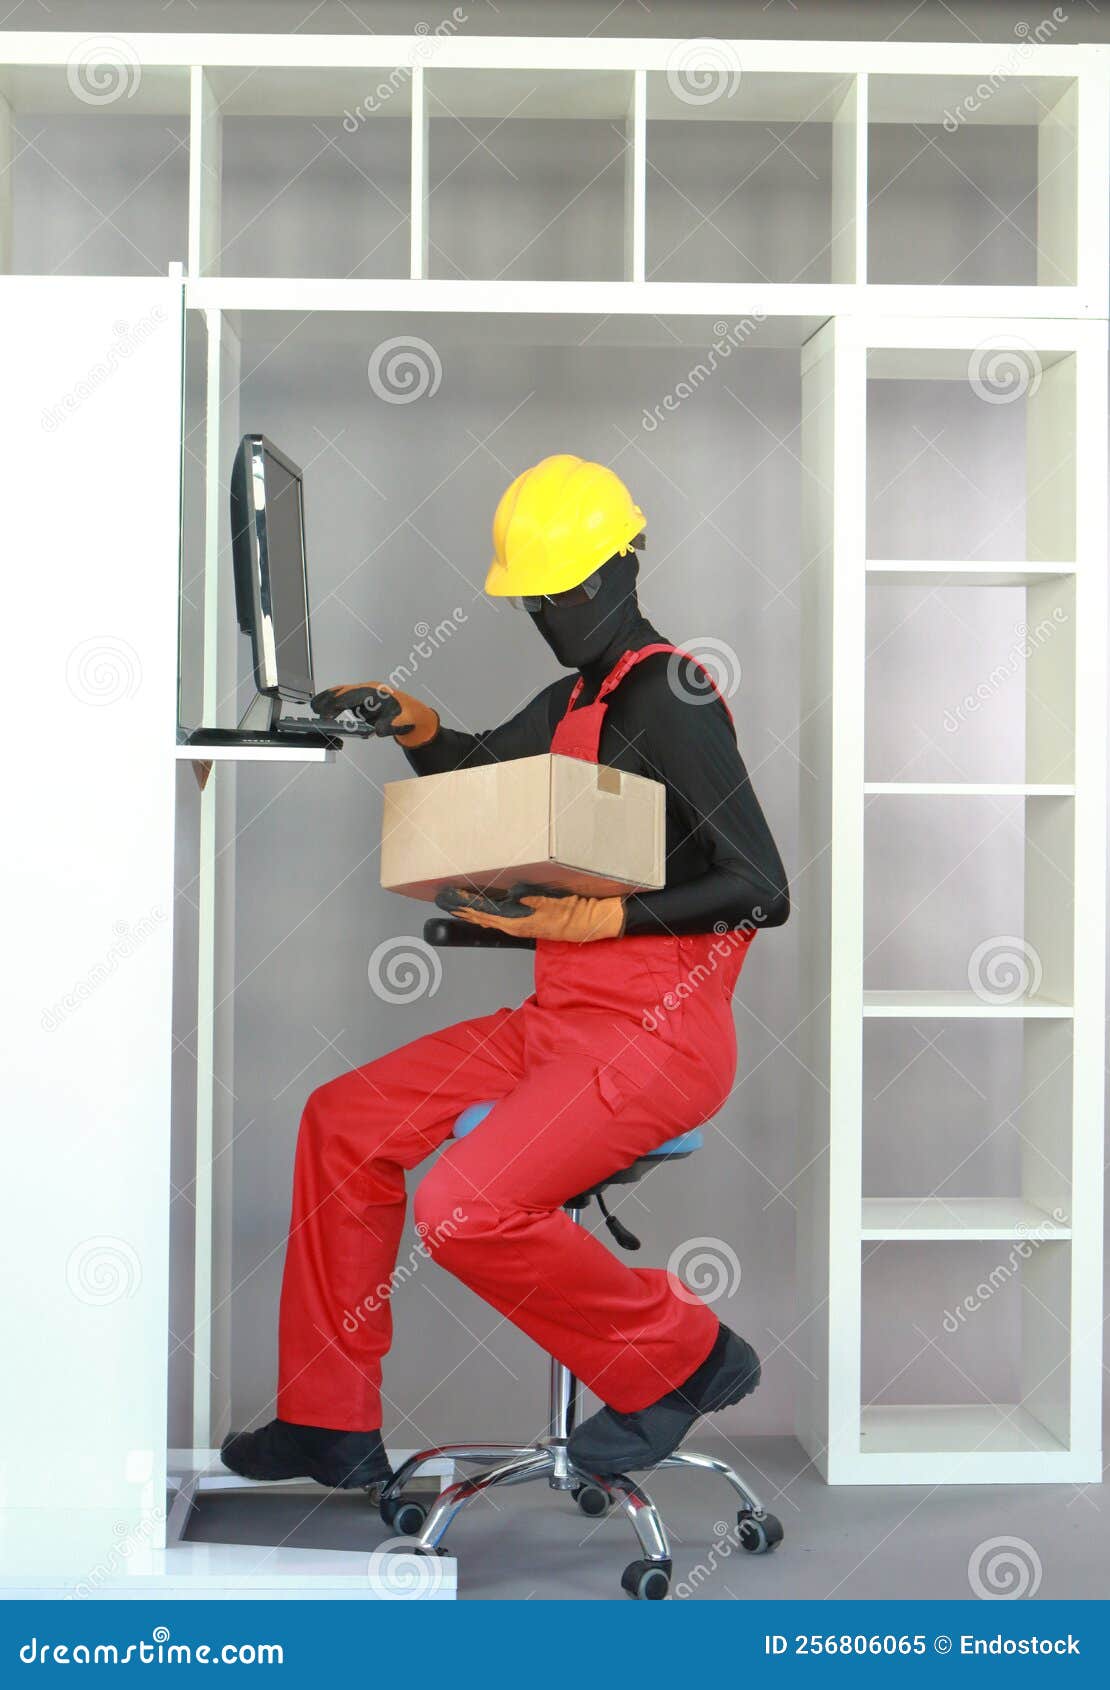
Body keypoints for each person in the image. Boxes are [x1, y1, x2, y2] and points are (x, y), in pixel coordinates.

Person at [221, 454, 789, 1489]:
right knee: (343, 1122)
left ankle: (683, 1356)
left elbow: (761, 885)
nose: (556, 612)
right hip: (562, 1019)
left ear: (626, 565)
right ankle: (329, 1420)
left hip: (658, 1036)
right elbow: (484, 770)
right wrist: (420, 726)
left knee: (463, 1206)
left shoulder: (672, 692)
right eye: (537, 598)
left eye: (570, 589)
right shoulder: (582, 694)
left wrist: (601, 912)